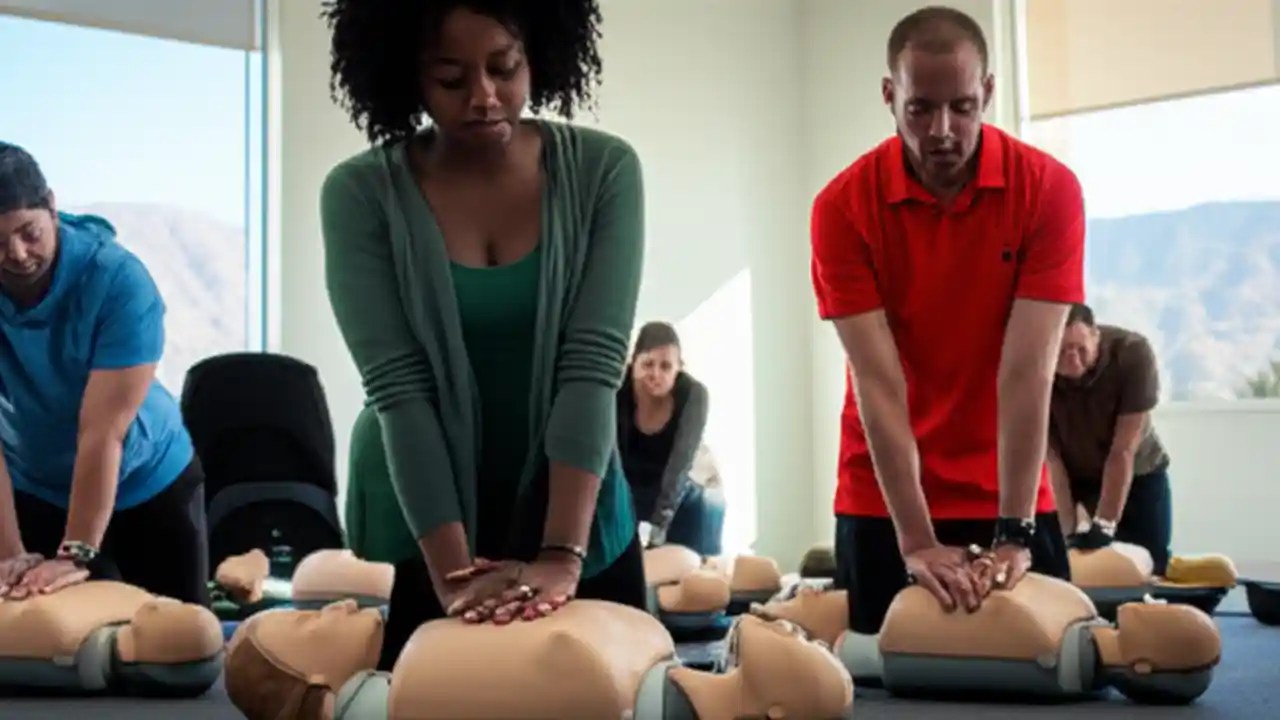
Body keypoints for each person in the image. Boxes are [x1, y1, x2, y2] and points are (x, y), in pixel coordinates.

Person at [319, 0, 647, 670]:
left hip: (577, 510)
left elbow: (592, 366)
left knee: (612, 692)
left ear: (539, 55)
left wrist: (561, 554)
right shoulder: (359, 194)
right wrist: (455, 576)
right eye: (450, 78)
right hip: (431, 516)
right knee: (442, 695)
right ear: (406, 75)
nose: (484, 98)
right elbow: (399, 389)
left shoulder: (604, 171)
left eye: (505, 67)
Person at [808, 6, 1085, 681]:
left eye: (962, 108)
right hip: (886, 501)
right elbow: (879, 382)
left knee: (1051, 673)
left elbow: (1026, 373)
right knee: (886, 686)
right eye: (919, 109)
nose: (942, 132)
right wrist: (916, 540)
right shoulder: (843, 207)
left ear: (987, 93)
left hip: (1010, 493)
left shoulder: (1048, 190)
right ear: (888, 97)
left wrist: (1015, 531)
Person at [0, 142, 208, 606]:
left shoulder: (118, 281)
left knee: (176, 646)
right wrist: (10, 556)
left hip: (148, 480)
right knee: (41, 647)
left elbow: (102, 432)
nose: (16, 254)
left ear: (51, 207)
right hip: (37, 484)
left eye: (28, 232)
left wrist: (75, 554)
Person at [1048, 303, 1173, 574]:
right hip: (1074, 473)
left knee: (1151, 563)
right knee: (1067, 561)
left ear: (1096, 336)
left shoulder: (1133, 353)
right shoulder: (1035, 365)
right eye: (1060, 351)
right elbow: (1051, 458)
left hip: (1139, 471)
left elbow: (1123, 450)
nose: (1071, 360)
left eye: (1080, 349)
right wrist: (1067, 533)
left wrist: (1105, 523)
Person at [616, 321, 724, 555]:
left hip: (689, 491)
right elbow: (610, 461)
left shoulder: (694, 395)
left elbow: (680, 466)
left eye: (665, 367)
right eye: (647, 364)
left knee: (694, 575)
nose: (655, 374)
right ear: (633, 364)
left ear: (678, 369)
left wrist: (657, 531)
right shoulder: (617, 390)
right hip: (634, 487)